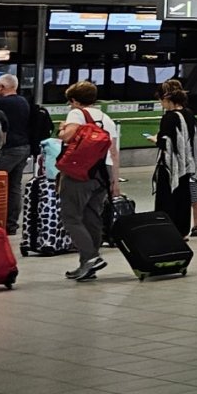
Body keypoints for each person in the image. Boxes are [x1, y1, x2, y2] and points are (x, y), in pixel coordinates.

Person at [56, 81, 122, 282]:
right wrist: (115, 181)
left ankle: (91, 257)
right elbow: (114, 151)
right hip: (104, 172)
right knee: (92, 215)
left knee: (71, 216)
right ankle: (86, 264)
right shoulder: (106, 118)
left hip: (81, 171)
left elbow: (67, 136)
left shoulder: (77, 114)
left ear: (74, 100)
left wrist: (61, 130)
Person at [0, 76, 33, 238]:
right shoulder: (23, 101)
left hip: (7, 149)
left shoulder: (0, 104)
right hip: (23, 147)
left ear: (1, 87)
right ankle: (11, 224)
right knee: (14, 187)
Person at [153, 83, 197, 235]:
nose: (161, 104)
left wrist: (155, 139)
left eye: (161, 101)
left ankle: (166, 231)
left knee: (167, 198)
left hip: (170, 165)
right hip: (186, 163)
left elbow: (164, 141)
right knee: (183, 198)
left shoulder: (169, 117)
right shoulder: (189, 114)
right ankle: (182, 230)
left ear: (168, 100)